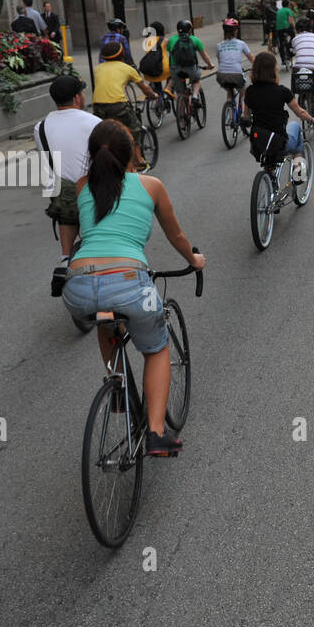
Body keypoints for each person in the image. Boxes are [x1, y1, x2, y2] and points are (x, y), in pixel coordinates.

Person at [62, 120, 206, 456]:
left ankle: (119, 388)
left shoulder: (83, 185)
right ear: (132, 154)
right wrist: (194, 259)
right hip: (129, 281)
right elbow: (177, 236)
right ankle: (156, 433)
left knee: (106, 319)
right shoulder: (151, 185)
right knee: (156, 350)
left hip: (79, 284)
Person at [37, 75, 100, 285]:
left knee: (67, 214)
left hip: (60, 194)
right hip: (92, 192)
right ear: (77, 97)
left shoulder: (41, 127)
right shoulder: (94, 122)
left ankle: (65, 258)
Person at [244, 51, 314, 185]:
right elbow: (300, 112)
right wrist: (313, 120)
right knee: (296, 128)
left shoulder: (250, 91)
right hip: (279, 142)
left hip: (258, 143)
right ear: (273, 70)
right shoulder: (281, 91)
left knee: (268, 151)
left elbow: (245, 116)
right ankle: (299, 175)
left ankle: (270, 179)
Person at [92, 41, 155, 164]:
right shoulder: (127, 68)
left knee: (103, 132)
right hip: (117, 104)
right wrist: (153, 95)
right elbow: (144, 89)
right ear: (122, 54)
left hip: (98, 105)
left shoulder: (98, 69)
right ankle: (138, 159)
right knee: (134, 129)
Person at [166, 20, 214, 107]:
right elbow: (204, 55)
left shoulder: (171, 40)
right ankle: (195, 96)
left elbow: (170, 52)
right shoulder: (195, 40)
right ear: (190, 30)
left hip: (175, 69)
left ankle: (181, 117)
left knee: (180, 93)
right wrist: (210, 65)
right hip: (191, 68)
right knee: (196, 80)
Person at [290, 17, 314, 119]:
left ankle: (293, 93)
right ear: (310, 29)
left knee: (294, 72)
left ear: (297, 29)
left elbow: (294, 52)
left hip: (299, 68)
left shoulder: (295, 39)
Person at [215, 17, 253, 106]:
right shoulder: (241, 43)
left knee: (229, 90)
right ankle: (244, 114)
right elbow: (252, 59)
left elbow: (220, 62)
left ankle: (229, 108)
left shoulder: (219, 45)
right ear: (235, 31)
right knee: (243, 92)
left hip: (221, 76)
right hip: (236, 74)